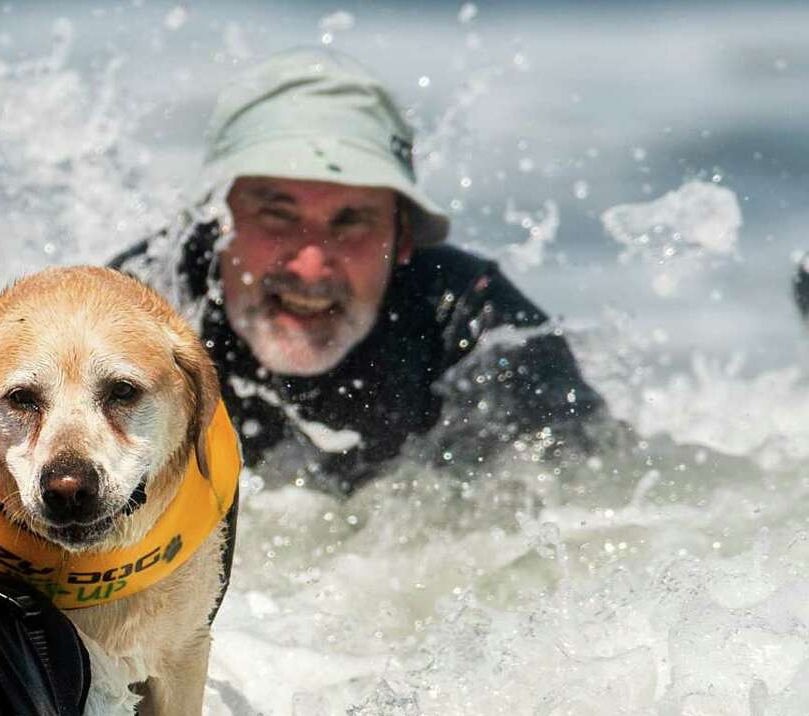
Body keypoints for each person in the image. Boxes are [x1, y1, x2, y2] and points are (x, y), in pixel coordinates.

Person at [113, 49, 612, 492]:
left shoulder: (480, 329)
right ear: (217, 220)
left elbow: (603, 505)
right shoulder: (136, 308)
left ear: (404, 239)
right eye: (278, 214)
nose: (311, 266)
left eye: (351, 220)